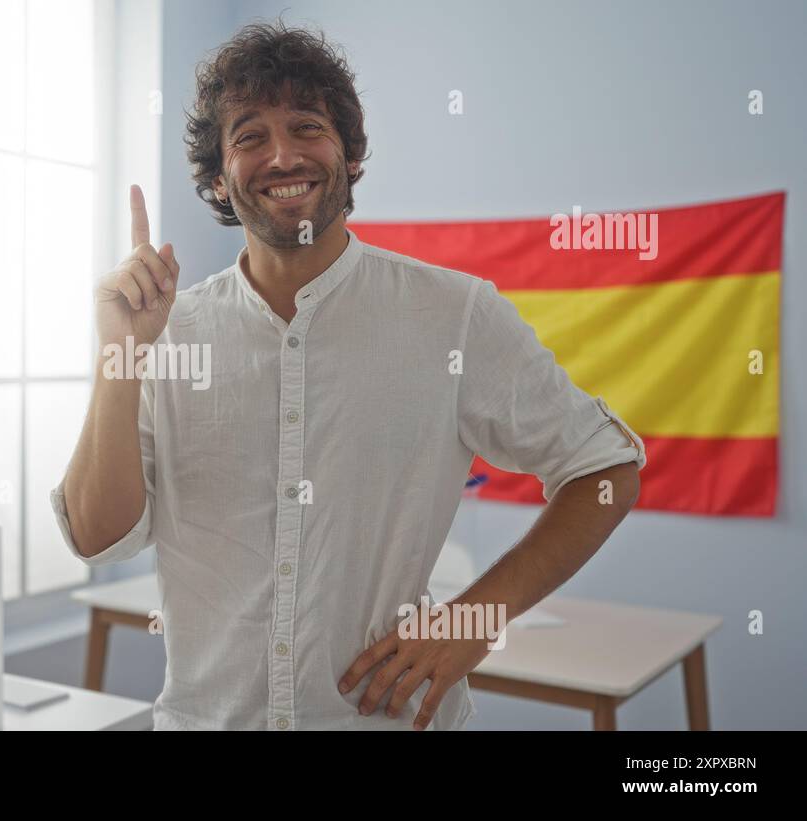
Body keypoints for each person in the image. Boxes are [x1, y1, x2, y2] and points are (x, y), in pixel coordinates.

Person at [50, 21, 645, 730]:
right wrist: (120, 353)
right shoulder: (167, 332)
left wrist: (474, 620)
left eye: (308, 126)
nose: (282, 155)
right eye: (249, 136)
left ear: (350, 157)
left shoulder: (452, 315)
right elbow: (95, 535)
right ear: (218, 174)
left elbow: (605, 469)